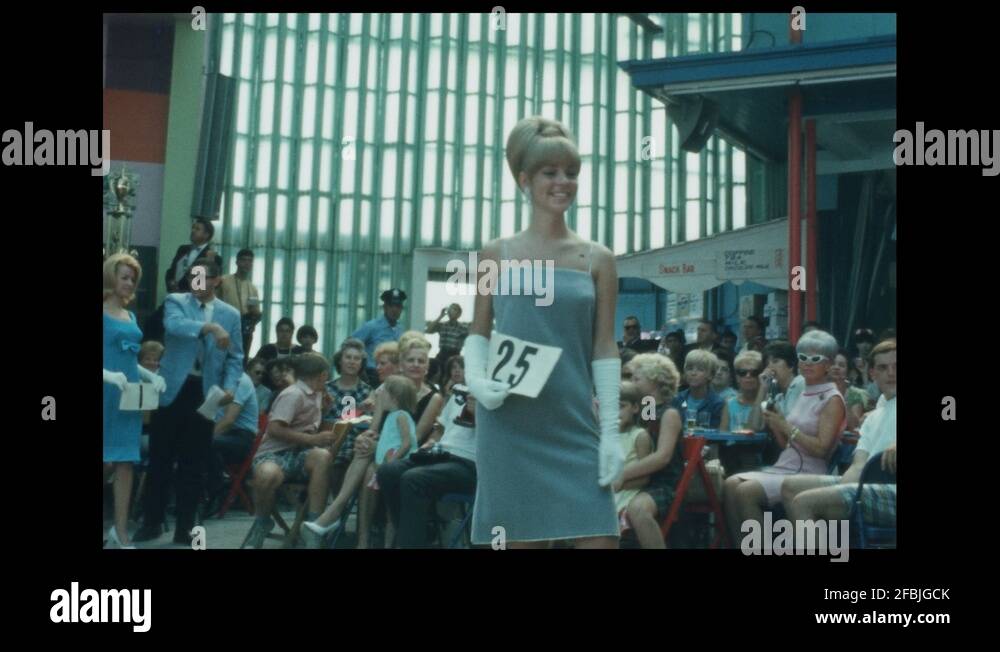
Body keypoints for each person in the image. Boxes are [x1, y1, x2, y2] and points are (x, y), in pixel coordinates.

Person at [464, 116, 622, 549]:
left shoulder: (599, 260)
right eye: (550, 173)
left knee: (600, 538)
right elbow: (477, 333)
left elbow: (604, 348)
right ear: (524, 179)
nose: (563, 182)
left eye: (571, 173)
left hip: (573, 424)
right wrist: (478, 382)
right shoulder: (495, 254)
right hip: (510, 424)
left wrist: (610, 432)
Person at [133, 258, 244, 544]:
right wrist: (209, 328)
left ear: (217, 281)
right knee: (160, 459)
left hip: (205, 393)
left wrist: (230, 387)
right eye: (192, 277)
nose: (196, 283)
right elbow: (175, 326)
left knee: (193, 465)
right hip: (172, 391)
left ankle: (185, 527)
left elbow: (235, 357)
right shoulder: (176, 301)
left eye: (203, 278)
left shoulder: (230, 314)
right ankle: (152, 521)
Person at [723, 330, 846, 546]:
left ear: (828, 364)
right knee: (730, 484)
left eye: (815, 359)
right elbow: (786, 446)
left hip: (809, 472)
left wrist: (785, 426)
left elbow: (822, 450)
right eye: (803, 358)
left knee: (745, 491)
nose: (807, 363)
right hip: (786, 465)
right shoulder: (805, 392)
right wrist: (777, 424)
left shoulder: (832, 398)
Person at [781, 340, 896, 532]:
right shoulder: (874, 417)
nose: (891, 373)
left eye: (896, 366)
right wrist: (838, 490)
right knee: (790, 486)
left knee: (804, 502)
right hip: (871, 486)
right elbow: (859, 465)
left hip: (892, 490)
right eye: (883, 368)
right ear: (873, 373)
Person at [103, 254, 166, 548]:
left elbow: (129, 359)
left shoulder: (131, 317)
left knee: (126, 462)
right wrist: (106, 375)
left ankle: (121, 531)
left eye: (132, 279)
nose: (129, 283)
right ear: (110, 278)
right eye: (124, 277)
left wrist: (150, 376)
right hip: (105, 392)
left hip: (126, 395)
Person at [243, 353, 337, 549]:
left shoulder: (317, 393)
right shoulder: (293, 394)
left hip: (300, 454)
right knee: (267, 475)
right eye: (325, 377)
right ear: (321, 375)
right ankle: (262, 521)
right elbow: (275, 429)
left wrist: (326, 412)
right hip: (274, 454)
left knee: (323, 457)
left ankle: (314, 523)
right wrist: (313, 439)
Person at [374, 388, 479, 548]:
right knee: (388, 471)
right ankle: (418, 533)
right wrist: (427, 445)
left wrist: (482, 416)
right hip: (442, 454)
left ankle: (409, 541)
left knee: (414, 478)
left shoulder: (496, 400)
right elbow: (440, 431)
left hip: (471, 464)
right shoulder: (461, 393)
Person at [616, 353, 684, 548]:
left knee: (638, 509)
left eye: (636, 378)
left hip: (662, 482)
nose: (631, 382)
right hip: (641, 478)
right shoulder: (648, 408)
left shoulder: (670, 413)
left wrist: (622, 474)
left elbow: (662, 457)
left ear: (655, 381)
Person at [205, 366, 259, 515]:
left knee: (204, 444)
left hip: (241, 438)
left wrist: (202, 438)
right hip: (224, 434)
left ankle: (216, 490)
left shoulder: (240, 381)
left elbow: (229, 420)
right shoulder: (214, 377)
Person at [612, 381, 654, 531]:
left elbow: (645, 477)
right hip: (606, 492)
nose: (615, 412)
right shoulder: (604, 436)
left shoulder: (639, 436)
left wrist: (618, 485)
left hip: (626, 493)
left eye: (621, 406)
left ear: (635, 408)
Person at [352, 288, 406, 386]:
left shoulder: (400, 329)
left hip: (394, 377)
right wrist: (360, 369)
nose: (395, 309)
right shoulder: (371, 326)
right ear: (384, 307)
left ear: (401, 309)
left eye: (398, 306)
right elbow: (351, 345)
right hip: (373, 376)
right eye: (391, 306)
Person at [217, 248, 262, 361]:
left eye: (250, 261)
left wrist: (256, 317)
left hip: (244, 331)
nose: (247, 263)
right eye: (244, 260)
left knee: (241, 360)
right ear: (237, 262)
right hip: (225, 326)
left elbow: (255, 311)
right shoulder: (224, 280)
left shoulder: (252, 288)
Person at [672, 349, 726, 429]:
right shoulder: (677, 399)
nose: (693, 373)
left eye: (700, 369)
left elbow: (717, 433)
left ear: (711, 375)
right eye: (689, 368)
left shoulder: (717, 403)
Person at [165, 218, 218, 293]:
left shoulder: (212, 257)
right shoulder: (182, 249)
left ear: (206, 235)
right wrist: (170, 282)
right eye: (193, 228)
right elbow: (171, 270)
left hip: (193, 297)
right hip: (174, 294)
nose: (193, 231)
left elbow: (210, 283)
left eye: (197, 229)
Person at [830, 349, 872, 431]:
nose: (836, 367)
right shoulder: (819, 389)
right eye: (833, 364)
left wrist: (843, 401)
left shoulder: (855, 394)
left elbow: (854, 425)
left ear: (848, 371)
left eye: (841, 365)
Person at [426, 303, 469, 375]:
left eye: (454, 309)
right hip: (442, 354)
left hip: (455, 355)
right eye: (450, 309)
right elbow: (428, 331)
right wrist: (440, 316)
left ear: (459, 314)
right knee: (434, 370)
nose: (451, 311)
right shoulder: (442, 325)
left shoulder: (463, 328)